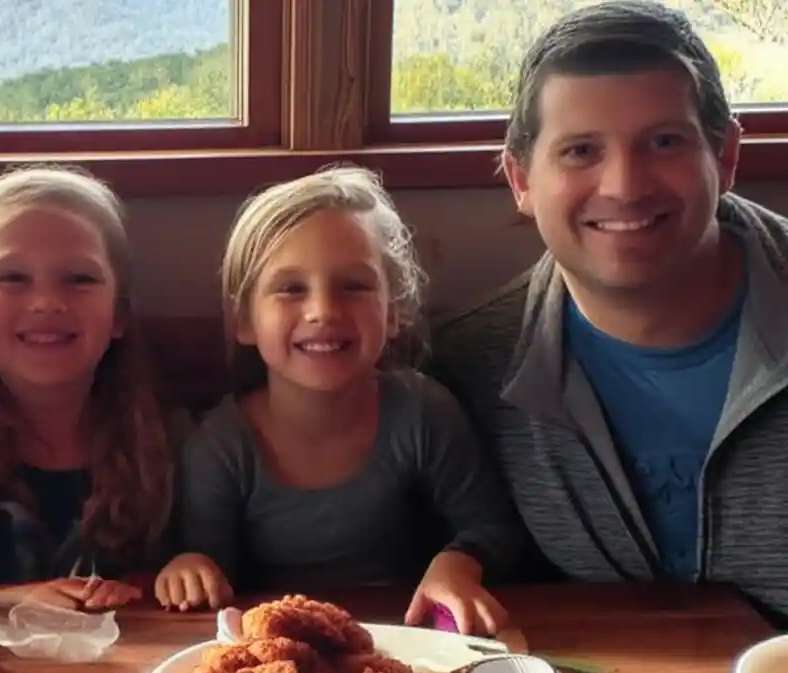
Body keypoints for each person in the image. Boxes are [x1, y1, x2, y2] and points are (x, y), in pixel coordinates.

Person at [429, 1, 788, 621]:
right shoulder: (471, 368)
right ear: (521, 179)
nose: (625, 185)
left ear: (726, 156)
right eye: (580, 151)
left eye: (665, 141)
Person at [156, 166, 526, 635]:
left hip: (406, 643)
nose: (324, 311)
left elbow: (495, 529)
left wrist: (459, 562)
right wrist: (190, 566)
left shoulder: (423, 412)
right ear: (244, 321)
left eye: (354, 285)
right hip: (275, 647)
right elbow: (207, 570)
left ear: (392, 312)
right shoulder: (221, 446)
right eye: (291, 288)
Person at [0, 166, 180, 611]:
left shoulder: (162, 436)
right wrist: (20, 598)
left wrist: (138, 590)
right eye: (12, 278)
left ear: (120, 314)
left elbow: (191, 577)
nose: (46, 302)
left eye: (80, 279)